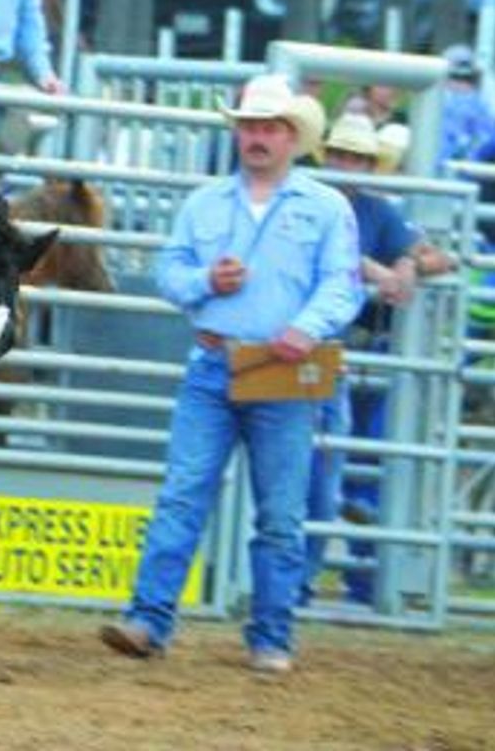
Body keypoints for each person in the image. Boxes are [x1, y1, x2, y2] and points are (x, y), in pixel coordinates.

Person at [100, 73, 362, 675]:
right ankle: (150, 619)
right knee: (183, 495)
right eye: (249, 126)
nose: (257, 137)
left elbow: (341, 284)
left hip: (280, 369)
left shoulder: (325, 207)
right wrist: (202, 284)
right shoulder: (207, 203)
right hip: (217, 364)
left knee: (278, 511)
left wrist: (308, 326)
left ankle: (268, 633)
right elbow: (170, 271)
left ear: (293, 135)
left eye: (269, 127)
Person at [302, 113, 418, 606]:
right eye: (342, 154)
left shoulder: (379, 212)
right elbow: (322, 258)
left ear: (371, 164)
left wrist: (408, 263)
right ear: (327, 156)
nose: (348, 164)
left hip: (358, 352)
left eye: (358, 158)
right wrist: (376, 269)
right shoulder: (309, 202)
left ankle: (356, 582)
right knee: (312, 470)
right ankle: (299, 582)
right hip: (312, 348)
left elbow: (429, 252)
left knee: (353, 469)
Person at [437, 44, 495, 169]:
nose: (462, 85)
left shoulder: (481, 109)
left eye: (467, 79)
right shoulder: (432, 112)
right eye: (456, 78)